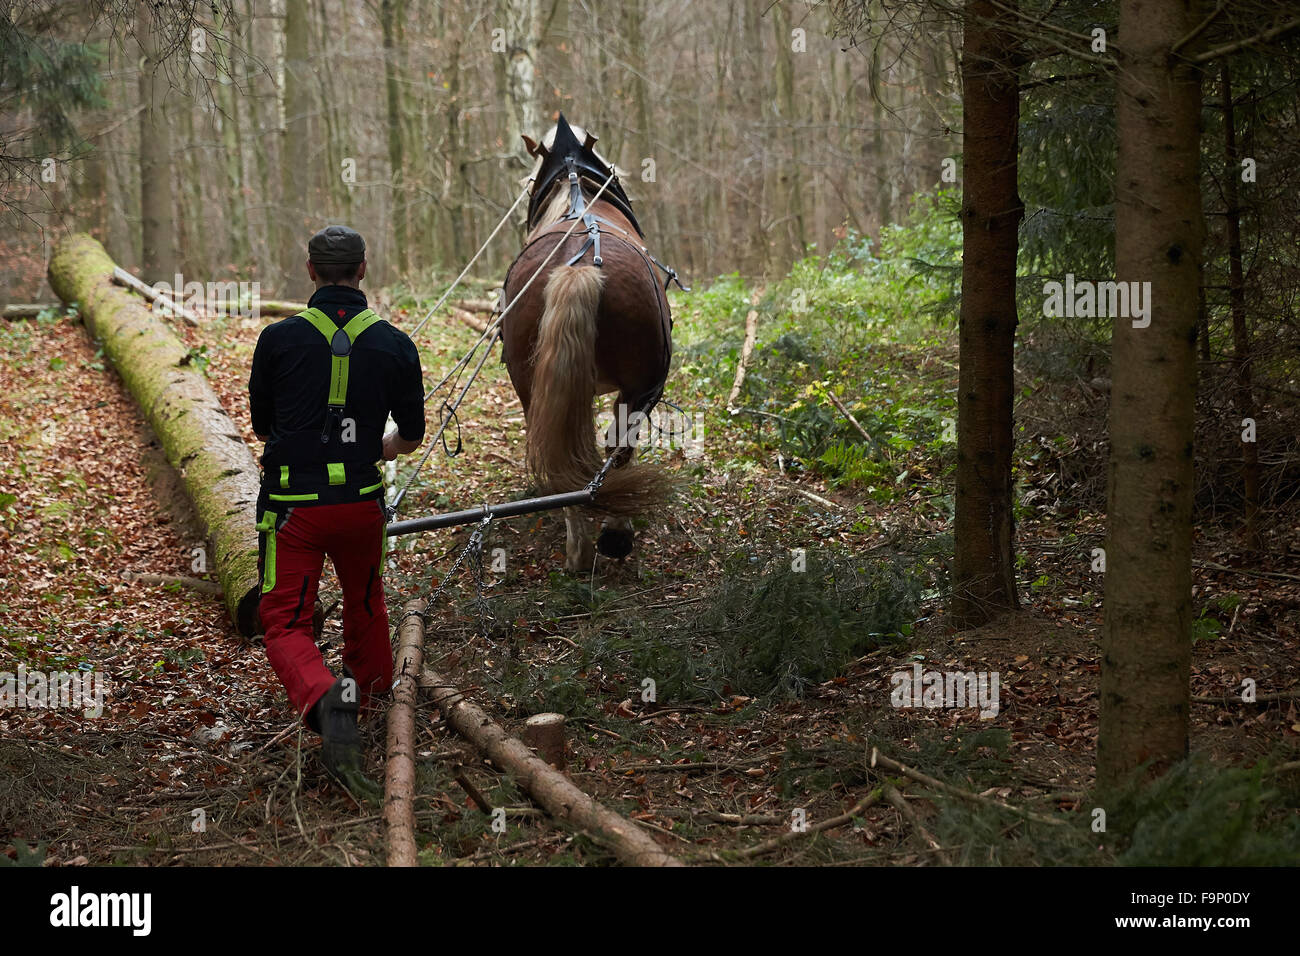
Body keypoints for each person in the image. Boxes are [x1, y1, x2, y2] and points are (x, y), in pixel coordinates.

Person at [248, 225, 424, 788]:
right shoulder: (395, 344)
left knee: (284, 620)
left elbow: (263, 427)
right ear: (362, 269)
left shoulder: (278, 340)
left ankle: (327, 703)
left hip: (292, 509)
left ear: (311, 270)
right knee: (366, 604)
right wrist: (377, 446)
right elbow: (411, 435)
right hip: (359, 505)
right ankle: (367, 707)